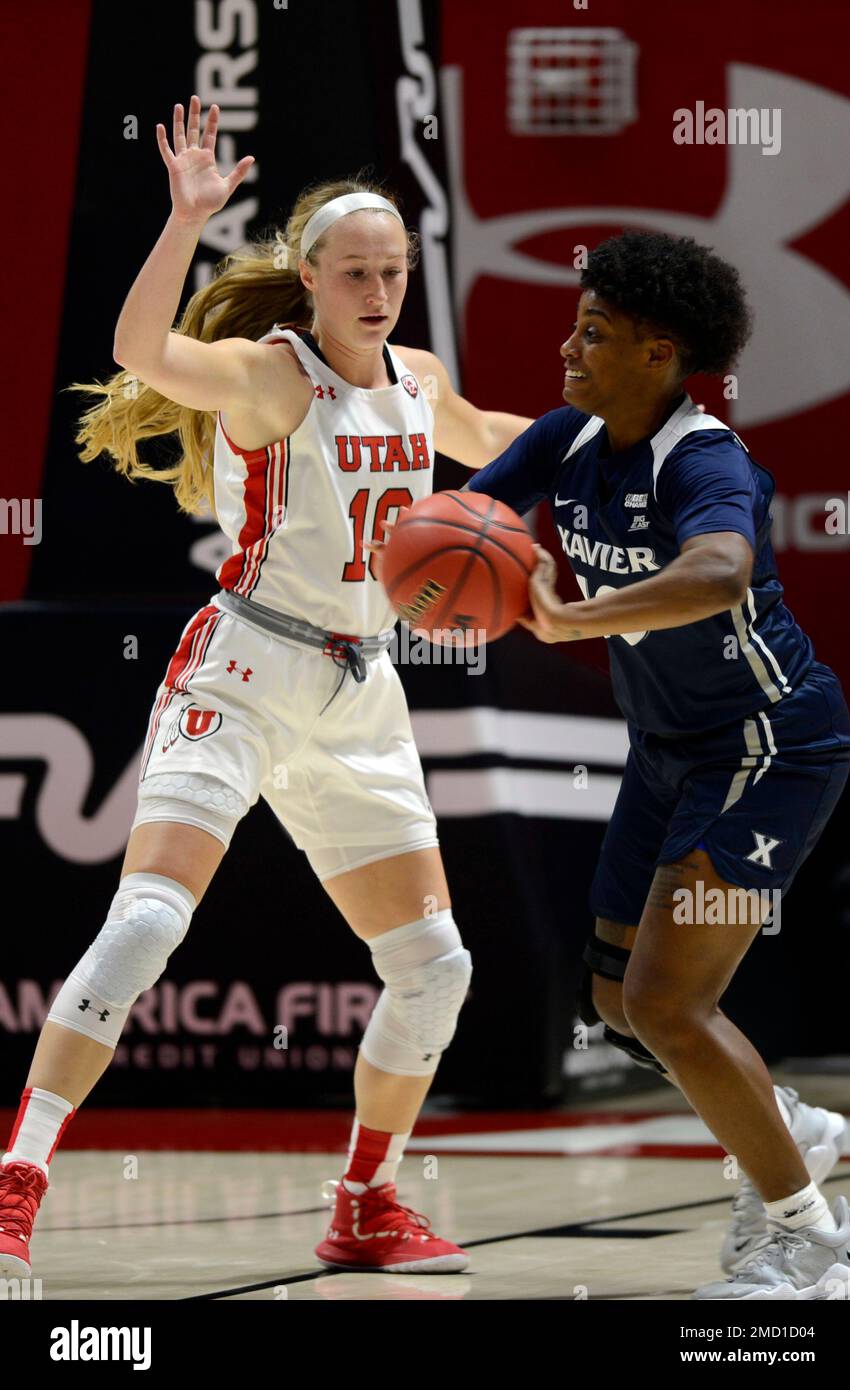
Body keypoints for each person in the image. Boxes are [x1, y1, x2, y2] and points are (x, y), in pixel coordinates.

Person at [0, 97, 533, 1280]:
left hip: (359, 691)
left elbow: (493, 430)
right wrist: (185, 220)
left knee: (436, 964)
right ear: (307, 274)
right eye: (355, 270)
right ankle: (19, 1176)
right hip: (242, 668)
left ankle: (364, 1200)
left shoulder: (415, 376)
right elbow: (143, 355)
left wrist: (631, 437)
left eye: (394, 268)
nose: (380, 288)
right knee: (146, 921)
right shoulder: (267, 375)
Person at [461, 230, 850, 1301]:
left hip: (768, 746)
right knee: (619, 1002)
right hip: (665, 752)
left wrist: (571, 614)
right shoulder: (565, 438)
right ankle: (786, 1126)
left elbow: (722, 569)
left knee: (671, 1004)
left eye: (593, 332)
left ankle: (818, 1244)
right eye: (572, 324)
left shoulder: (703, 457)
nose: (566, 347)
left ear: (658, 351)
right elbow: (466, 520)